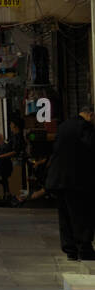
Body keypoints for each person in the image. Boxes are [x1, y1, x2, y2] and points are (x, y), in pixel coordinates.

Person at [46, 104, 95, 260]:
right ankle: (85, 249)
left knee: (65, 215)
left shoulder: (65, 125)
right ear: (91, 115)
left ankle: (70, 250)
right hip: (75, 180)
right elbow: (91, 147)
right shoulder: (84, 127)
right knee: (80, 214)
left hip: (58, 179)